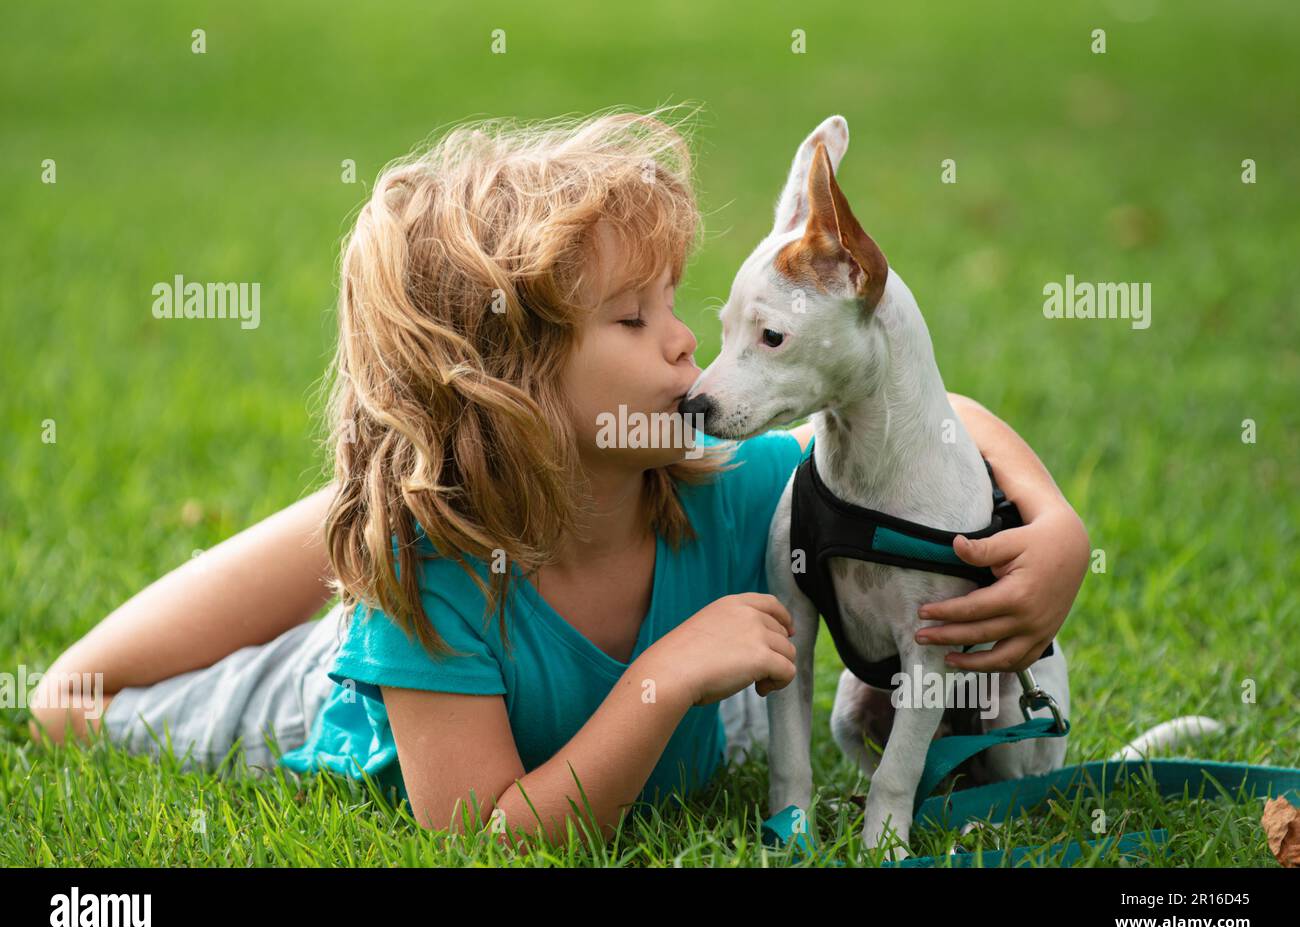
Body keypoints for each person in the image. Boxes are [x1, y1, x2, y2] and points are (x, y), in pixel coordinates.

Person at [29, 107, 1089, 848]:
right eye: (633, 320)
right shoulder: (435, 580)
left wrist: (1054, 529)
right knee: (77, 701)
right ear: (510, 388)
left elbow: (928, 419)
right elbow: (485, 836)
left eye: (675, 304)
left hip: (515, 543)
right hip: (323, 703)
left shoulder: (730, 478)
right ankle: (385, 498)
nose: (686, 348)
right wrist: (663, 676)